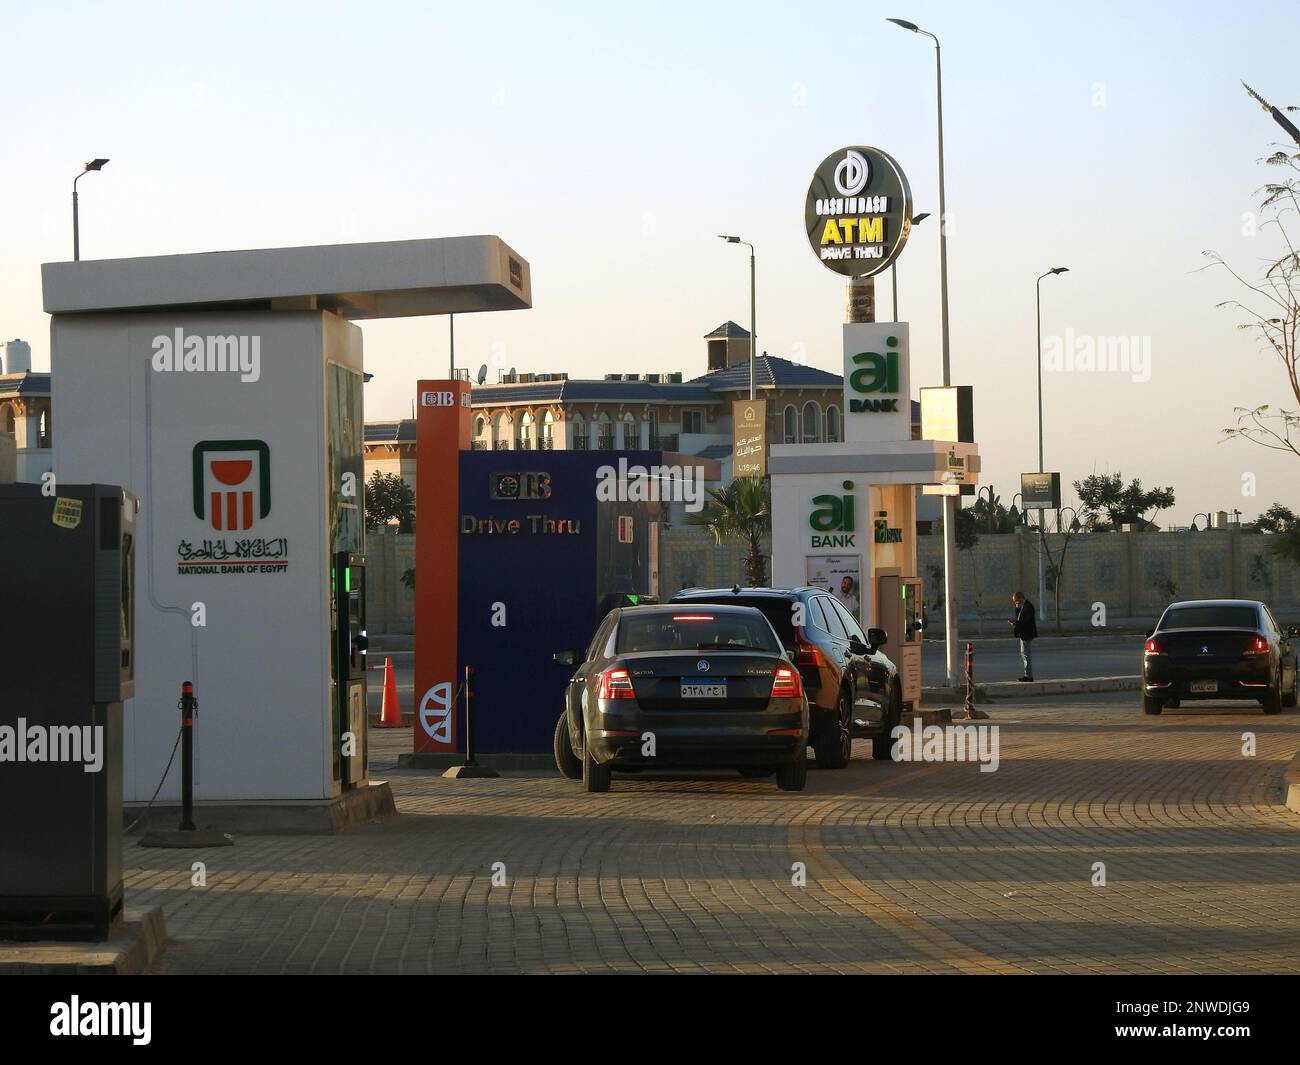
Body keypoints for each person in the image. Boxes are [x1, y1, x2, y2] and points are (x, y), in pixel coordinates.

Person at [1009, 591, 1038, 681]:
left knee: (1026, 656)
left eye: (1016, 601)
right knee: (1024, 655)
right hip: (1024, 634)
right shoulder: (1023, 606)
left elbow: (1026, 622)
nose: (1016, 603)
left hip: (1027, 634)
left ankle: (1028, 676)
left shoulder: (1028, 607)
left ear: (1020, 598)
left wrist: (1015, 623)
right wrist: (1017, 609)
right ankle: (1027, 675)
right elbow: (1020, 618)